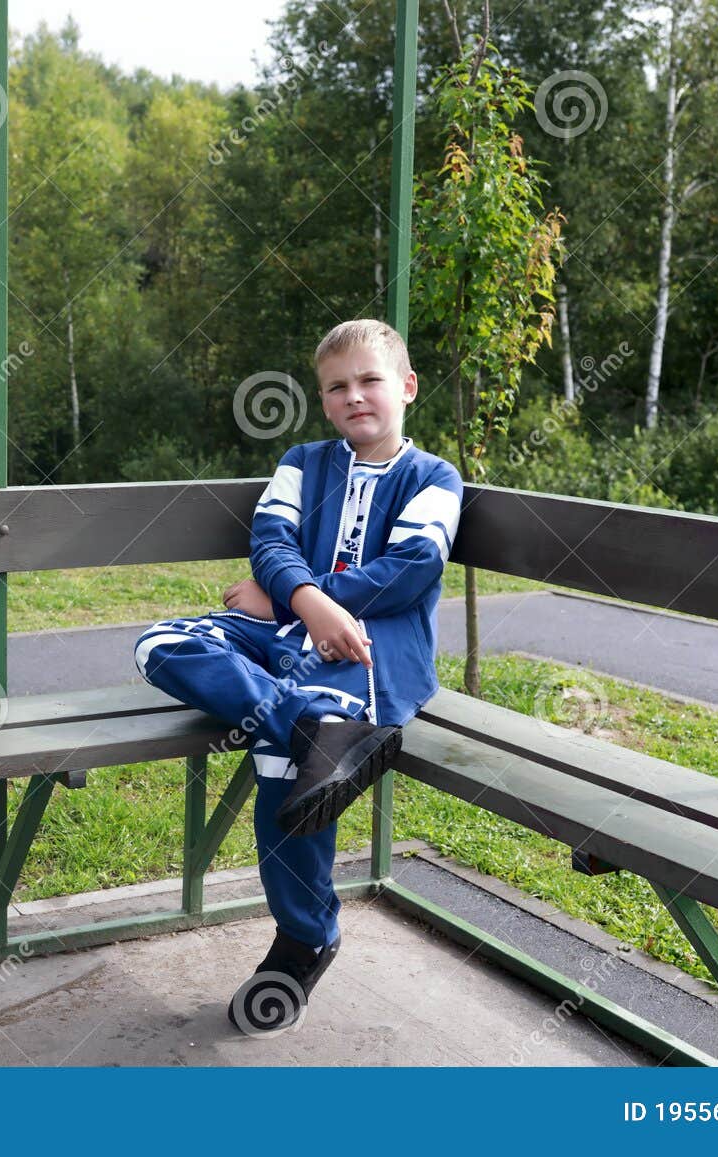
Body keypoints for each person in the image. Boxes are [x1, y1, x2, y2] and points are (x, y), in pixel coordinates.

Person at [132, 318, 463, 1034]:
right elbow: (270, 538)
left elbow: (411, 569)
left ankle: (303, 935)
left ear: (405, 387)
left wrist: (302, 597)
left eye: (370, 380)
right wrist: (302, 602)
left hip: (369, 658)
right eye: (337, 387)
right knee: (160, 642)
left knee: (283, 765)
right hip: (283, 636)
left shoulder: (432, 476)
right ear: (323, 400)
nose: (355, 396)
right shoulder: (305, 463)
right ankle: (312, 729)